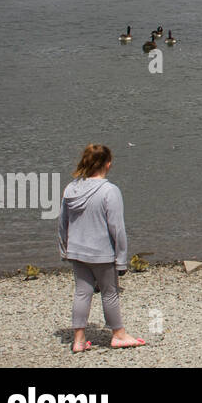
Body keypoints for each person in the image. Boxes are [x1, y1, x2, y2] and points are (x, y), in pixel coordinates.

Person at [58, 144, 144, 352]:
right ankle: (119, 334)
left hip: (77, 250)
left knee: (81, 293)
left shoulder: (71, 188)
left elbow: (62, 222)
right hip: (102, 253)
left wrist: (63, 248)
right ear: (108, 164)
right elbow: (117, 229)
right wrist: (121, 259)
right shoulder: (109, 191)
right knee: (110, 293)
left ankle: (78, 340)